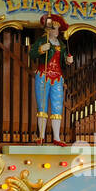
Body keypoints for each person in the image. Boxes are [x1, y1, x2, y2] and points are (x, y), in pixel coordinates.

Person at [31, 13, 72, 145]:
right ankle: (41, 136)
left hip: (57, 77)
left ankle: (56, 137)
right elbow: (32, 53)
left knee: (57, 106)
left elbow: (64, 61)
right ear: (48, 28)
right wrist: (41, 49)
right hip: (43, 75)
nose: (56, 31)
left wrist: (68, 60)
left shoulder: (61, 44)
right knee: (42, 105)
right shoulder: (42, 40)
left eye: (57, 29)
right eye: (54, 28)